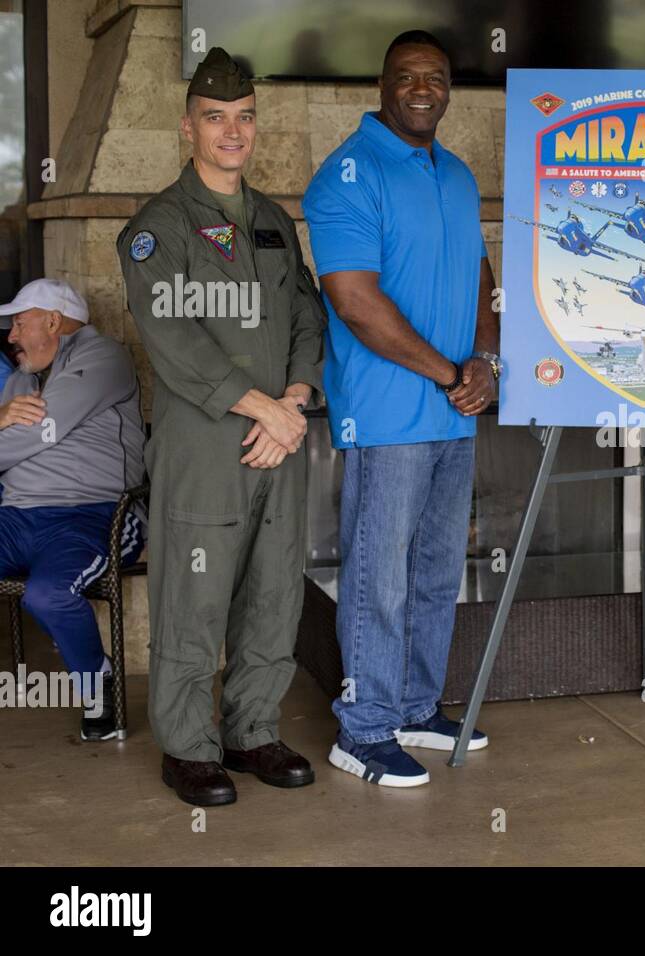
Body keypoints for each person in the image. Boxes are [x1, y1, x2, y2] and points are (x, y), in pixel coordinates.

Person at [117, 48, 326, 806]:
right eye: (216, 119)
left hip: (281, 437)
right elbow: (173, 340)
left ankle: (252, 731)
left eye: (243, 118)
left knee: (275, 589)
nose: (232, 132)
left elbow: (307, 313)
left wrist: (295, 399)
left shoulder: (273, 220)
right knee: (195, 597)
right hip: (208, 443)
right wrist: (262, 406)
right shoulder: (157, 228)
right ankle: (188, 745)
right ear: (189, 127)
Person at [303, 30, 498, 788]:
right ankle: (363, 727)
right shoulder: (346, 176)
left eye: (437, 77)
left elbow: (481, 273)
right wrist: (453, 369)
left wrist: (485, 362)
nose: (424, 88)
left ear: (449, 89)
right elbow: (354, 301)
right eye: (408, 76)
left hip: (454, 409)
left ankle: (415, 705)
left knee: (435, 569)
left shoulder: (454, 173)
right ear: (383, 84)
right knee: (377, 576)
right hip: (389, 414)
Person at [0, 279, 145, 739]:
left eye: (19, 324)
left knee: (46, 594)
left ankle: (96, 680)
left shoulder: (103, 357)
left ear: (52, 321)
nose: (10, 336)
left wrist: (12, 432)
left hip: (90, 516)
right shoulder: (24, 376)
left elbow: (36, 434)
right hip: (16, 516)